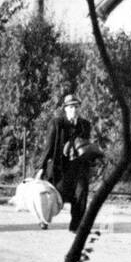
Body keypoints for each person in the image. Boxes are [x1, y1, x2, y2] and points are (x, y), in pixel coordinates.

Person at [37, 93, 94, 232]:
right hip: (60, 167)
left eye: (76, 107)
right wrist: (41, 167)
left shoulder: (85, 125)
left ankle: (75, 226)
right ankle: (43, 219)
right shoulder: (57, 123)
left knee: (81, 194)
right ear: (65, 109)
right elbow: (49, 147)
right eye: (71, 107)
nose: (74, 110)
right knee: (51, 195)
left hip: (78, 167)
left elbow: (86, 146)